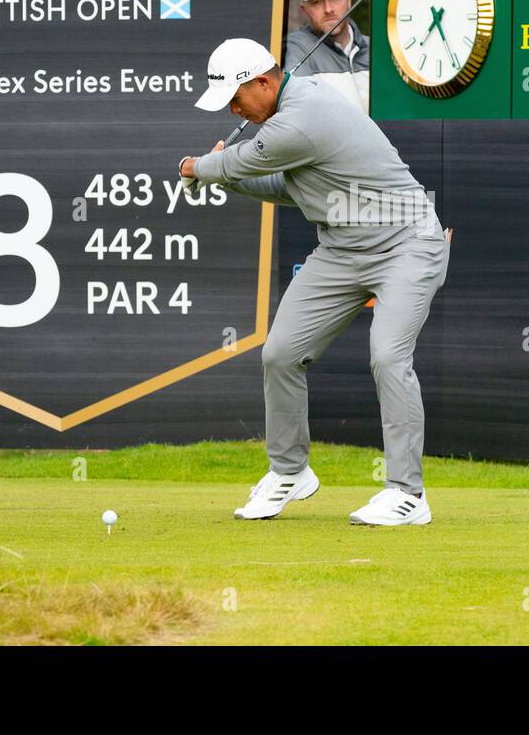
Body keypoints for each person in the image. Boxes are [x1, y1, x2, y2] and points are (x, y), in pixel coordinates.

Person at [179, 38, 449, 526]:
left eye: (236, 98)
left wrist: (200, 167)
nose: (235, 109)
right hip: (344, 247)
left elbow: (243, 160)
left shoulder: (304, 113)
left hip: (409, 241)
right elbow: (286, 186)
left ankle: (408, 494)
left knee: (388, 356)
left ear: (264, 81)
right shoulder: (286, 124)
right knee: (280, 353)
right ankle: (289, 471)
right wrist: (224, 175)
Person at [284, 0, 371, 114]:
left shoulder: (373, 47)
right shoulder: (297, 47)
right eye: (316, 2)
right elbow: (300, 112)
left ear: (348, 0)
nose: (328, 9)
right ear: (304, 10)